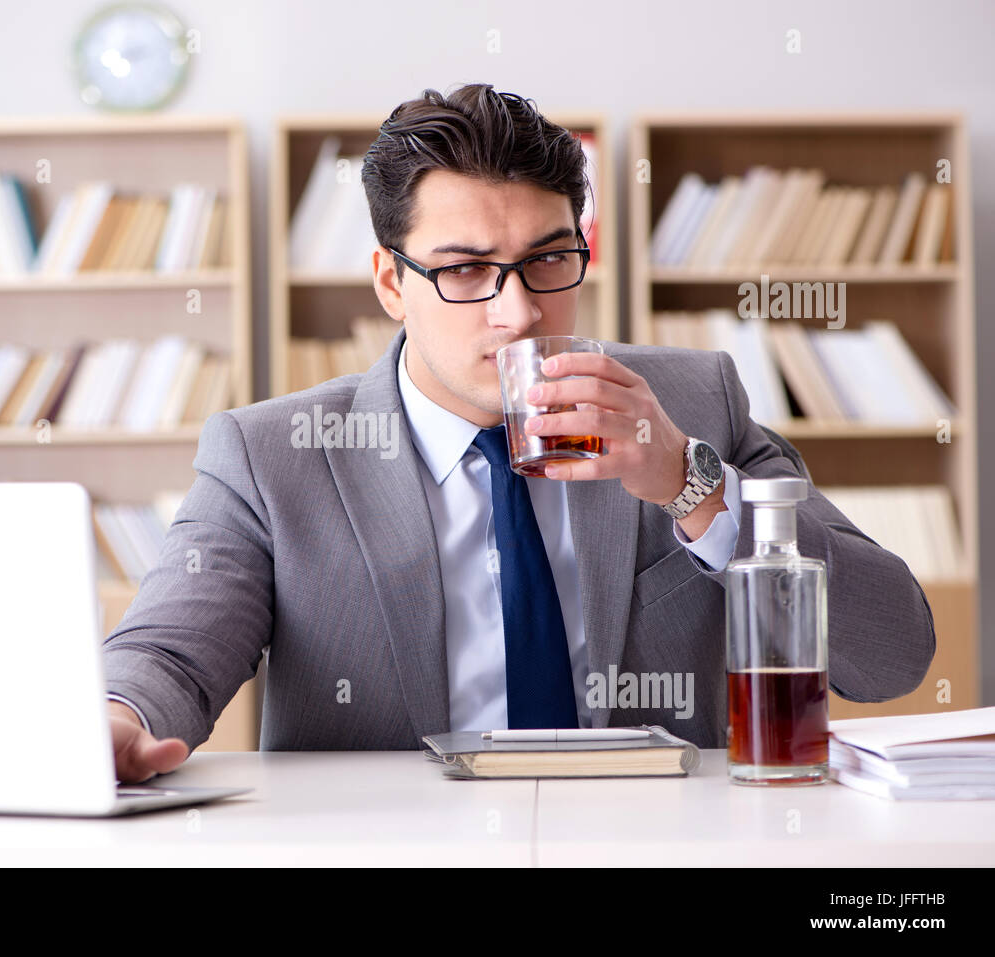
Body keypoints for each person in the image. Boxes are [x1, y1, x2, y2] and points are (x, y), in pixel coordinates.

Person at [106, 83, 935, 783]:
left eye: (548, 259)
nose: (520, 312)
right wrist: (116, 716)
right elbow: (170, 650)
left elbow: (892, 654)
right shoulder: (272, 456)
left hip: (655, 843)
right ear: (391, 282)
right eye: (466, 269)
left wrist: (692, 483)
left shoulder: (692, 406)